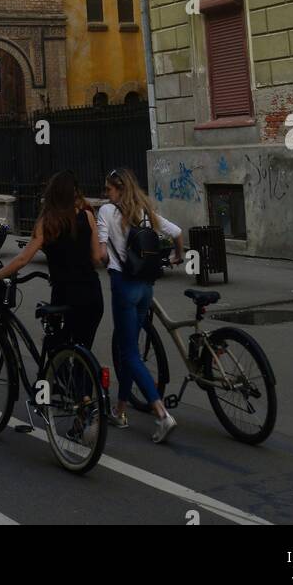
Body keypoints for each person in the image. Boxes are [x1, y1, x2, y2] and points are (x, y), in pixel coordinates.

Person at [98, 167, 184, 444]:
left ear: (119, 190)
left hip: (123, 286)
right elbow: (177, 232)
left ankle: (161, 414)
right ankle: (121, 411)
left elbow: (100, 254)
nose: (106, 194)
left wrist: (105, 259)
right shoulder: (145, 212)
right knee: (129, 349)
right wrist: (175, 257)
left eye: (109, 189)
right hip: (146, 287)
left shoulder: (106, 213)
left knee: (130, 354)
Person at [0, 171, 107, 349]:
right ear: (74, 193)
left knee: (57, 345)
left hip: (66, 294)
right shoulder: (88, 216)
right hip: (92, 293)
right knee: (82, 350)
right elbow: (97, 257)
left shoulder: (48, 222)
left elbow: (23, 259)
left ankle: (55, 372)